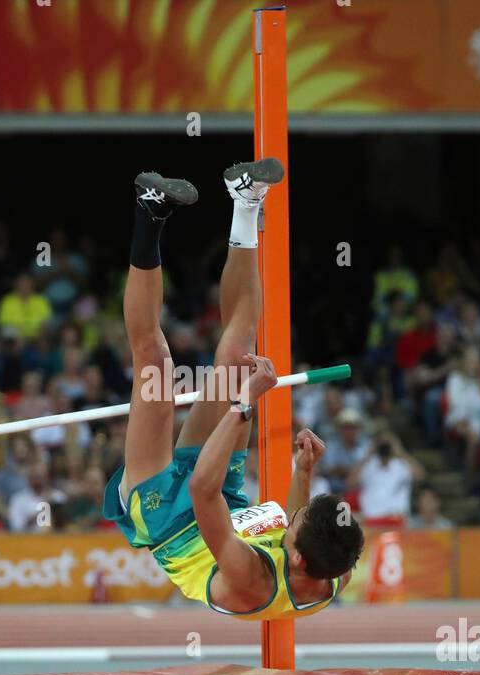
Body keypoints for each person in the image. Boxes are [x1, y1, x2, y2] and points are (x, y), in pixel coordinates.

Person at [101, 160, 363, 620]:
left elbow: (203, 490)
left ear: (297, 558)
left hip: (169, 521)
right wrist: (303, 474)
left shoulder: (249, 582)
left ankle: (149, 213)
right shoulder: (335, 565)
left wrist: (245, 404)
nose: (291, 513)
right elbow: (286, 521)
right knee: (241, 350)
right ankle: (245, 204)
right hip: (227, 503)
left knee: (156, 364)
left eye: (296, 521)